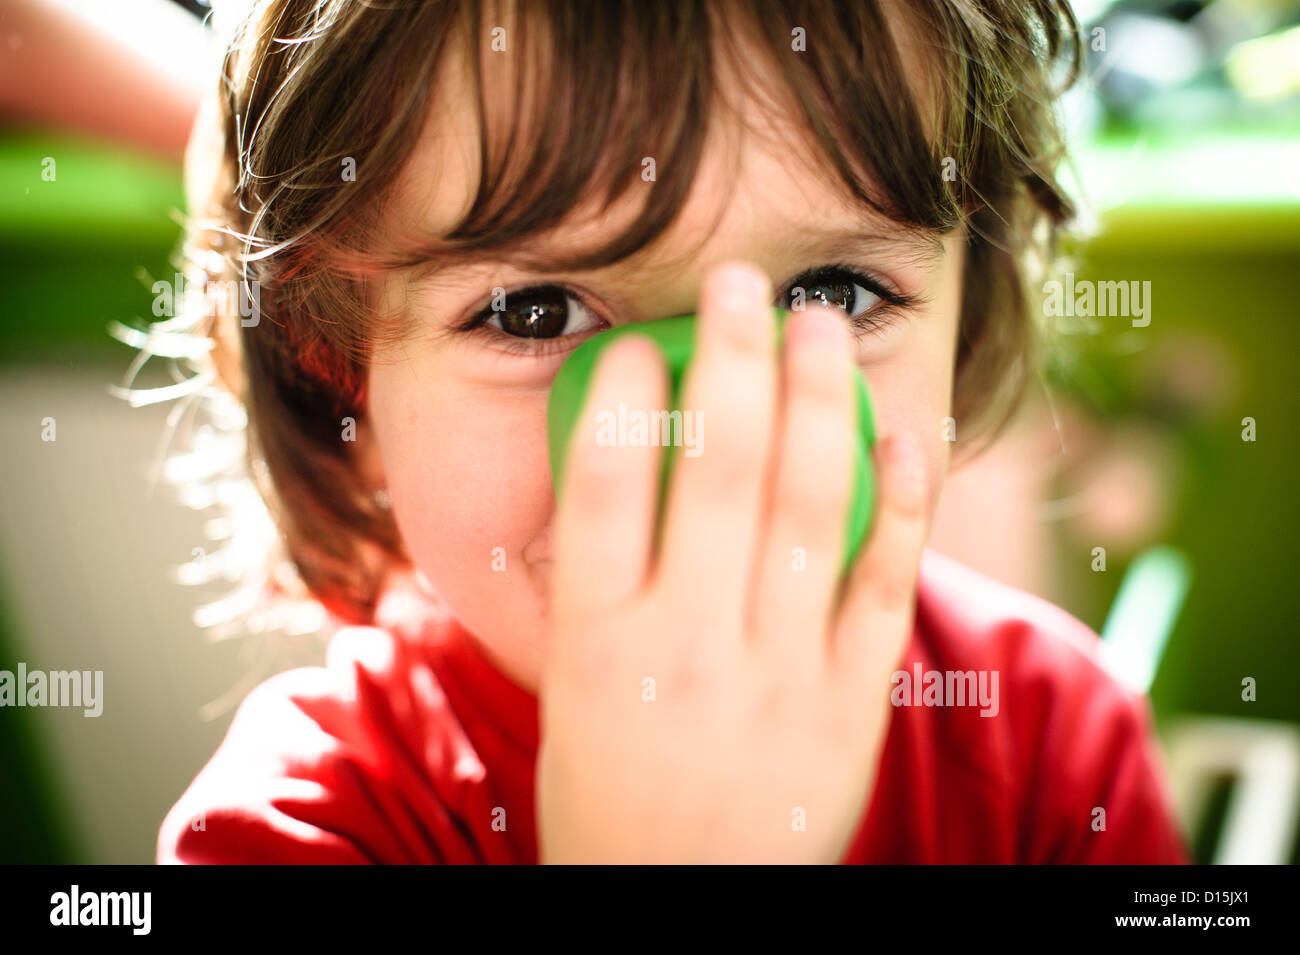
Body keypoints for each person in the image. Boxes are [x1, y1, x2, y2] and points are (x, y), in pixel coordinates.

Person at [154, 0, 1190, 863]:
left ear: (963, 334)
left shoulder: (1056, 746)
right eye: (536, 312)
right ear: (341, 387)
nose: (704, 437)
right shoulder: (299, 828)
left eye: (830, 292)